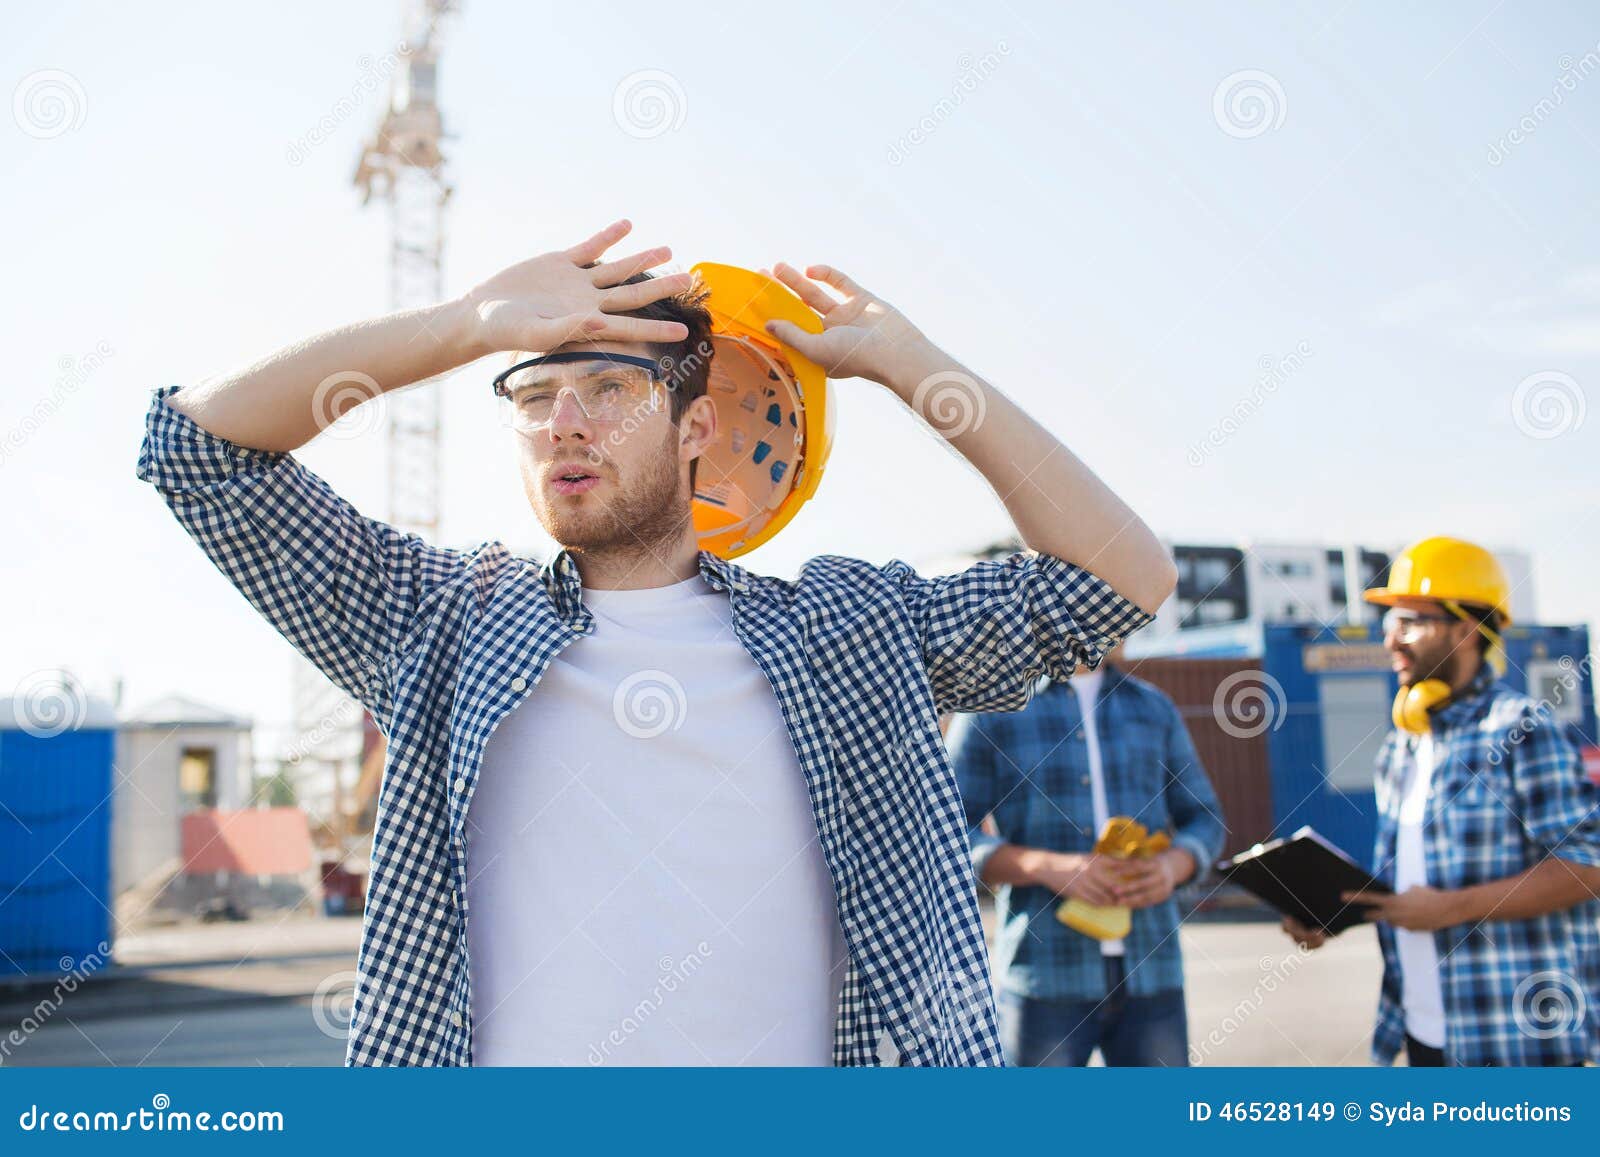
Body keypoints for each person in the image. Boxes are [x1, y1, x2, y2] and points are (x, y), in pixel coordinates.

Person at [135, 220, 1176, 1067]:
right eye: (535, 395)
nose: (564, 423)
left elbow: (1124, 578)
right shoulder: (440, 621)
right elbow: (194, 450)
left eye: (612, 389)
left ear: (693, 433)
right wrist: (463, 324)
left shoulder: (849, 628)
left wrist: (914, 367)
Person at [1282, 536, 1600, 1066]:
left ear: (1466, 628)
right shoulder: (1400, 748)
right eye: (1389, 622)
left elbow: (1588, 867)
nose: (1391, 639)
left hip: (1513, 1043)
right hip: (1419, 1035)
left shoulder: (1524, 728)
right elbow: (1411, 885)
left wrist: (1451, 909)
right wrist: (1332, 912)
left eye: (1410, 621)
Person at [946, 642, 1224, 1065]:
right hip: (1044, 975)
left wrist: (1173, 865)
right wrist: (1044, 867)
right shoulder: (991, 711)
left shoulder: (1154, 708)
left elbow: (1204, 819)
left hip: (1153, 969)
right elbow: (942, 838)